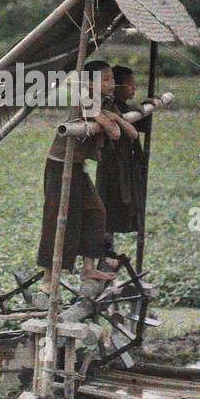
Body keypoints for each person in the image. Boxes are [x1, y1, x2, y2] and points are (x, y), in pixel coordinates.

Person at [36, 60, 134, 289]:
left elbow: (129, 133)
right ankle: (48, 280)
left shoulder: (104, 102)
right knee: (57, 221)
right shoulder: (87, 100)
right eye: (106, 79)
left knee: (95, 211)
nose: (112, 84)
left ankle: (89, 269)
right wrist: (110, 118)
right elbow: (115, 133)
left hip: (77, 166)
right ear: (90, 84)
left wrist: (114, 116)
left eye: (112, 79)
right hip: (60, 165)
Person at [95, 65, 148, 256]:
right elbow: (127, 132)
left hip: (124, 165)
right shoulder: (106, 106)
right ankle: (105, 253)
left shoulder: (119, 107)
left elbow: (139, 124)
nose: (133, 88)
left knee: (117, 209)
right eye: (130, 85)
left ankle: (108, 253)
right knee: (107, 209)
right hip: (112, 166)